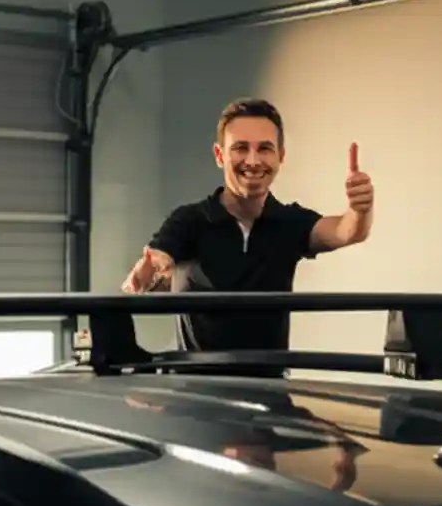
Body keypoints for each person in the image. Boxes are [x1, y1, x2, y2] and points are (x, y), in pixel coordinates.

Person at [121, 97, 374, 357]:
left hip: (270, 388)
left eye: (264, 149)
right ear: (220, 155)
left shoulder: (289, 222)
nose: (253, 161)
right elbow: (157, 259)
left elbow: (347, 231)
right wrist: (148, 272)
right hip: (194, 387)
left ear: (280, 157)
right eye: (240, 148)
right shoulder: (189, 220)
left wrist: (359, 209)